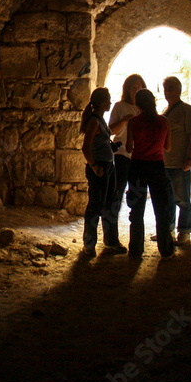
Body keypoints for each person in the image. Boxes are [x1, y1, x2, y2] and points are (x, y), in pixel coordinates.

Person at [125, 88, 174, 258]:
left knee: (137, 211)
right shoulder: (164, 121)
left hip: (138, 167)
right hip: (157, 167)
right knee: (162, 210)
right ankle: (166, 249)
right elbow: (168, 147)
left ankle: (136, 250)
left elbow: (128, 147)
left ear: (138, 104)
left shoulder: (133, 122)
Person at [79, 87, 127, 256]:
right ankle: (89, 245)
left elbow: (101, 142)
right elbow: (86, 148)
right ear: (100, 102)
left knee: (109, 204)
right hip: (100, 168)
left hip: (107, 167)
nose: (110, 101)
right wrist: (94, 166)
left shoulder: (100, 120)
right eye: (107, 99)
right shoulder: (94, 122)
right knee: (95, 206)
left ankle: (109, 241)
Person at [108, 74, 145, 243]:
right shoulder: (119, 106)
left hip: (138, 157)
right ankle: (111, 239)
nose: (136, 90)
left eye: (139, 87)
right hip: (122, 156)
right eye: (133, 87)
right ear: (127, 89)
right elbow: (111, 131)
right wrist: (124, 121)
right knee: (116, 195)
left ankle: (136, 242)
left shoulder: (145, 110)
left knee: (137, 198)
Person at [162, 76, 191, 246]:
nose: (167, 92)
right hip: (165, 163)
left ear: (179, 90)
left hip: (179, 162)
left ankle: (184, 233)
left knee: (182, 199)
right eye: (165, 88)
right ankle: (168, 232)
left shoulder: (186, 110)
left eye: (170, 88)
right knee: (167, 199)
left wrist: (189, 158)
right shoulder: (165, 111)